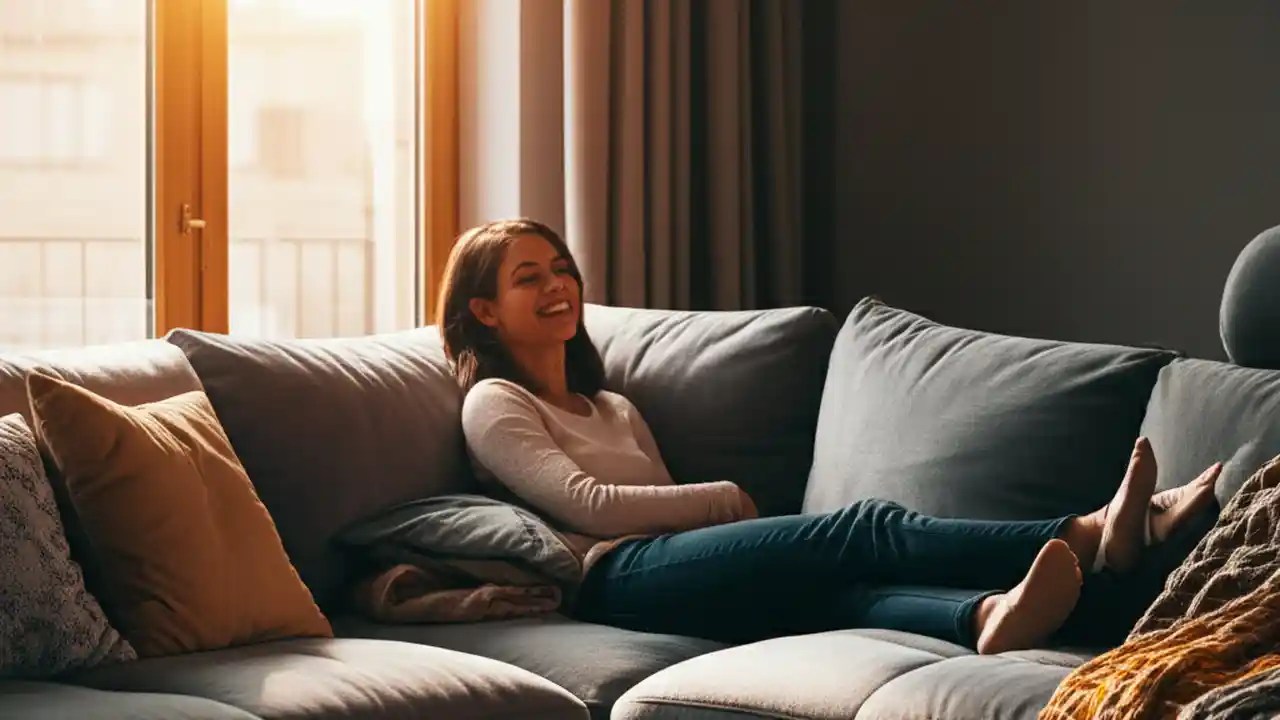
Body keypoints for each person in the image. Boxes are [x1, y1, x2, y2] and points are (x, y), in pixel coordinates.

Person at [436, 218, 1223, 653]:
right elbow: (593, 507)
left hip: (662, 568)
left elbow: (642, 502)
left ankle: (988, 617)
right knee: (865, 527)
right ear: (483, 311)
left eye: (561, 267)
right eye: (528, 276)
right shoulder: (494, 403)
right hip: (613, 581)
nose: (557, 285)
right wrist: (725, 502)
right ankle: (1095, 529)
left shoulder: (612, 406)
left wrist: (713, 512)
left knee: (847, 594)